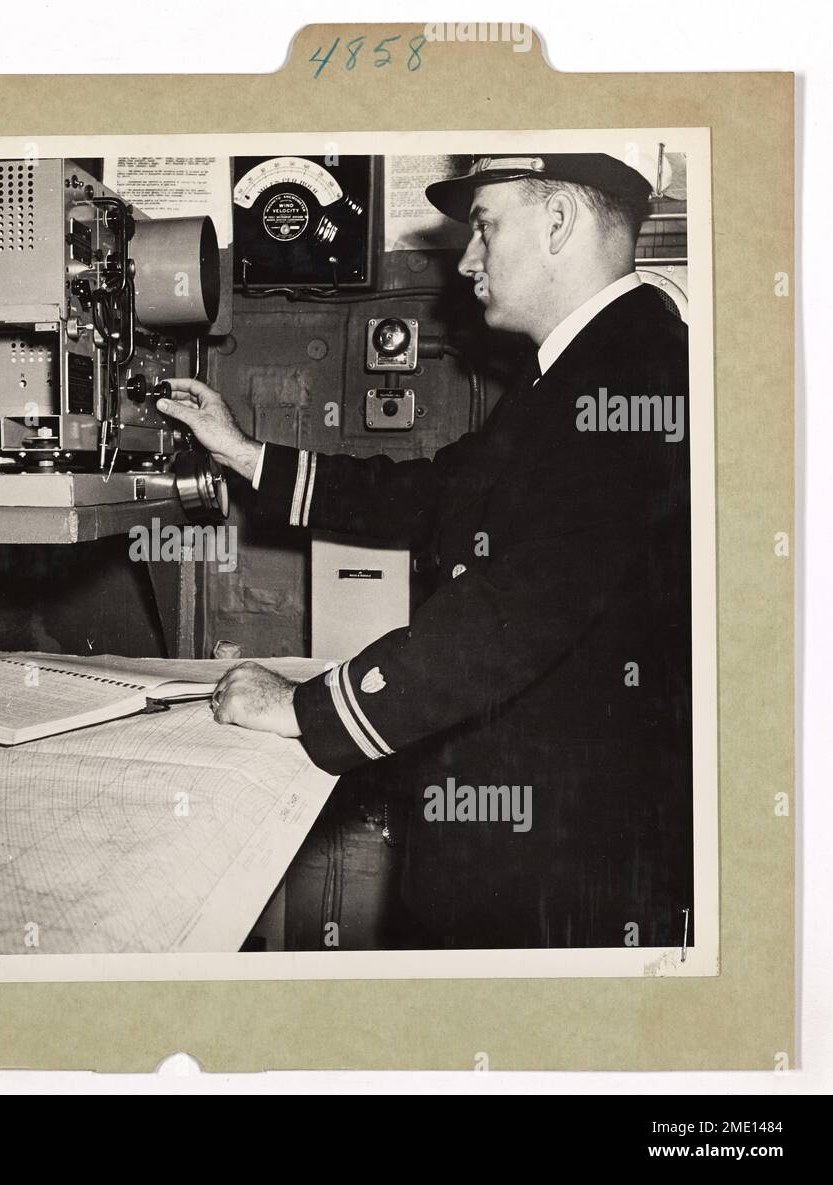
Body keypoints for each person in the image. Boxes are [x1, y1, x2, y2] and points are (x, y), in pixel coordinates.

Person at [156, 154, 693, 949]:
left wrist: (304, 708)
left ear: (559, 223)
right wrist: (244, 455)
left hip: (555, 890)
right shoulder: (578, 370)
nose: (468, 260)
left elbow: (512, 610)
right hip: (523, 863)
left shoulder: (633, 374)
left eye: (484, 226)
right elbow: (438, 494)